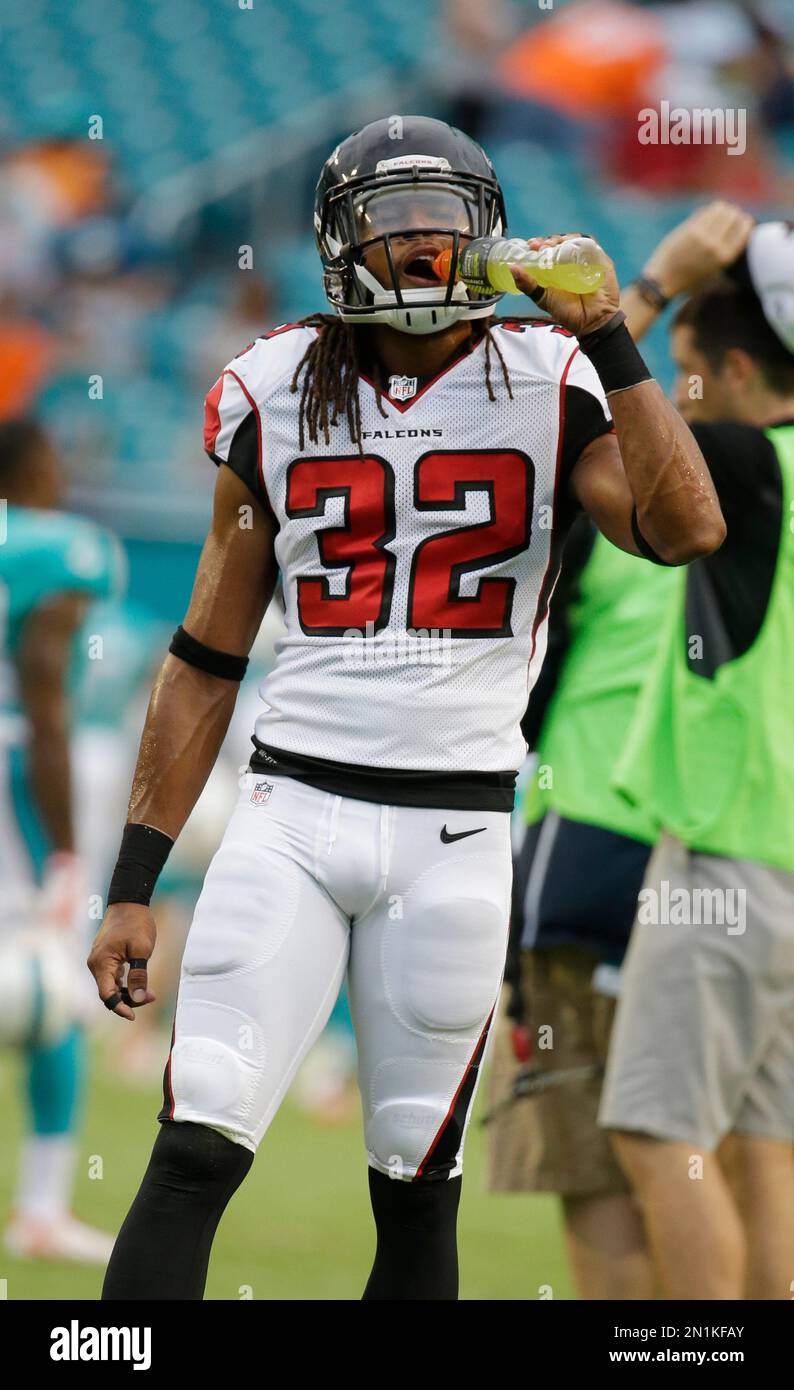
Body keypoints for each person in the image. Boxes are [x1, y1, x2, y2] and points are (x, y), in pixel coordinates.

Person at [88, 115, 724, 1302]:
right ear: (340, 245)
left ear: (485, 239)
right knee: (190, 1148)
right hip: (289, 813)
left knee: (417, 1188)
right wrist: (135, 881)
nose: (422, 255)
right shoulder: (272, 386)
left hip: (457, 834)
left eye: (443, 230)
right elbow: (206, 652)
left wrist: (613, 334)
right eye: (393, 229)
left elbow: (686, 528)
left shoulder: (552, 377)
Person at [485, 200, 755, 1302]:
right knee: (726, 1145)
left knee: (588, 1147)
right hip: (726, 832)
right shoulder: (758, 470)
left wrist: (646, 281)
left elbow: (571, 402)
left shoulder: (637, 464)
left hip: (591, 809)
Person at [600, 216, 794, 1300]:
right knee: (761, 1150)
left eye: (682, 380)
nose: (671, 403)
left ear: (729, 368)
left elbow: (570, 416)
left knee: (658, 1133)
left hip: (724, 856)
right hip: (784, 864)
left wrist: (647, 287)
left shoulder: (740, 458)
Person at [0, 418, 125, 1263]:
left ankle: (43, 1211)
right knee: (51, 990)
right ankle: (40, 1208)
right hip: (19, 780)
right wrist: (71, 852)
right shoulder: (63, 548)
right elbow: (45, 694)